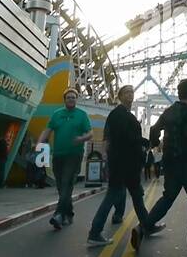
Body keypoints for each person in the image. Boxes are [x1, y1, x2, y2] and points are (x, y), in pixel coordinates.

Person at [131, 79, 187, 252]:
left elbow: (154, 129)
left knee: (168, 197)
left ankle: (143, 226)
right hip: (186, 163)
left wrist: (154, 143)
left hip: (170, 162)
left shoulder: (169, 111)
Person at [87, 86, 165, 246]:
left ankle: (147, 225)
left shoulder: (124, 115)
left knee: (137, 196)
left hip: (128, 164)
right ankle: (95, 232)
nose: (130, 94)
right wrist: (146, 142)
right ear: (120, 96)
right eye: (126, 92)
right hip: (122, 163)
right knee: (113, 195)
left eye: (131, 92)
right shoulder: (118, 114)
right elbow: (125, 138)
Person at [38, 88, 93, 230]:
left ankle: (59, 214)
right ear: (64, 100)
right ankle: (69, 212)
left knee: (66, 181)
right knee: (61, 185)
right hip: (58, 154)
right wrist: (39, 143)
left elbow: (90, 132)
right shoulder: (57, 114)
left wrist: (82, 138)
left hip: (74, 154)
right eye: (68, 97)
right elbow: (48, 130)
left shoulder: (82, 115)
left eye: (73, 97)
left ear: (76, 99)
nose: (71, 99)